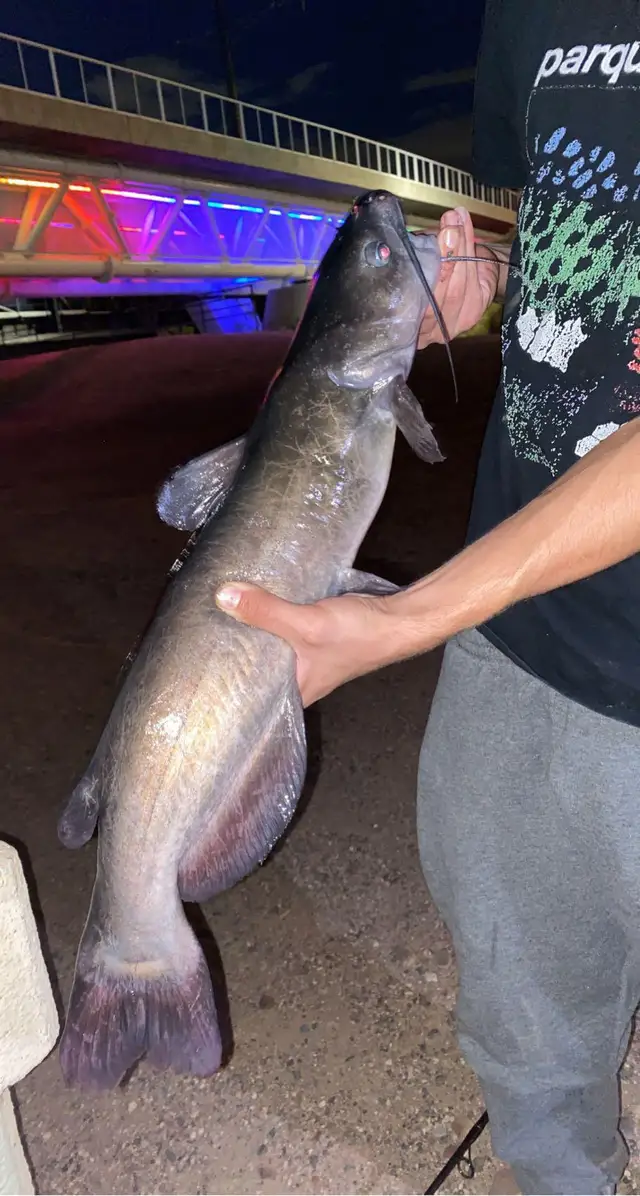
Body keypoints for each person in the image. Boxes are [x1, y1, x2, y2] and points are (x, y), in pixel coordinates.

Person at [216, 1, 640, 1191]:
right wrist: (483, 286)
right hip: (509, 637)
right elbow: (572, 228)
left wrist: (406, 616)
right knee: (524, 1033)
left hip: (500, 614)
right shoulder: (536, 12)